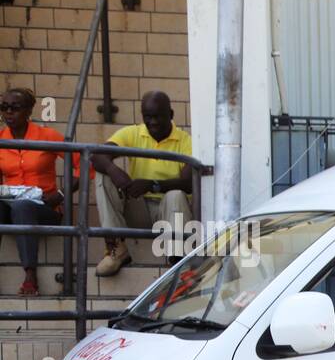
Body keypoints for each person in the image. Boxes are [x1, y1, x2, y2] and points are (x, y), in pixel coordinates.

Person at [91, 90, 194, 276]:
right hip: (137, 207)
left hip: (167, 211)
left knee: (176, 195)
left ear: (170, 115)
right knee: (103, 174)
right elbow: (97, 155)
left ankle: (179, 261)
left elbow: (188, 183)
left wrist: (153, 185)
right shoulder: (134, 133)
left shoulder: (186, 140)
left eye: (158, 116)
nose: (153, 122)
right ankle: (116, 249)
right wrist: (115, 171)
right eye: (148, 117)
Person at [0, 87, 85, 296]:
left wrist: (62, 194)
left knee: (23, 206)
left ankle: (30, 276)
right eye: (4, 108)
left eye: (15, 108)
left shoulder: (46, 136)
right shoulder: (1, 139)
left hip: (45, 208)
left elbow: (83, 164)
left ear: (29, 111)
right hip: (9, 208)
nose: (8, 113)